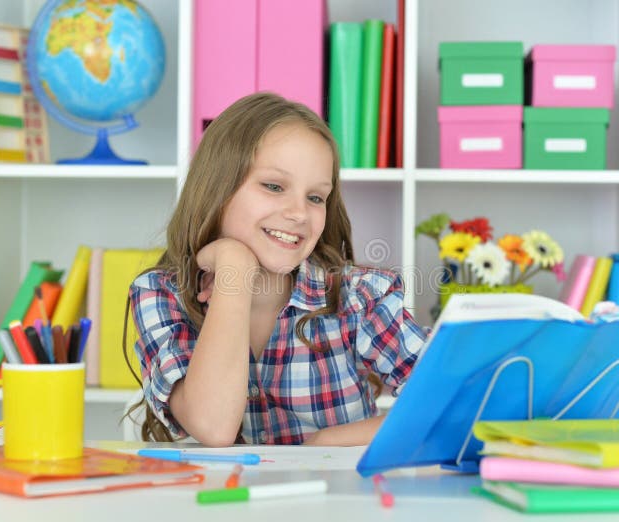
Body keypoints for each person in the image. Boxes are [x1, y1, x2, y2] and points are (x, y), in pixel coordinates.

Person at [126, 92, 428, 447]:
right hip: (221, 502)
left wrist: (322, 445)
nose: (299, 213)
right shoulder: (161, 294)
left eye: (316, 197)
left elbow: (450, 404)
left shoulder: (360, 297)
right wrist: (234, 272)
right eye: (274, 186)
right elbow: (213, 426)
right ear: (216, 188)